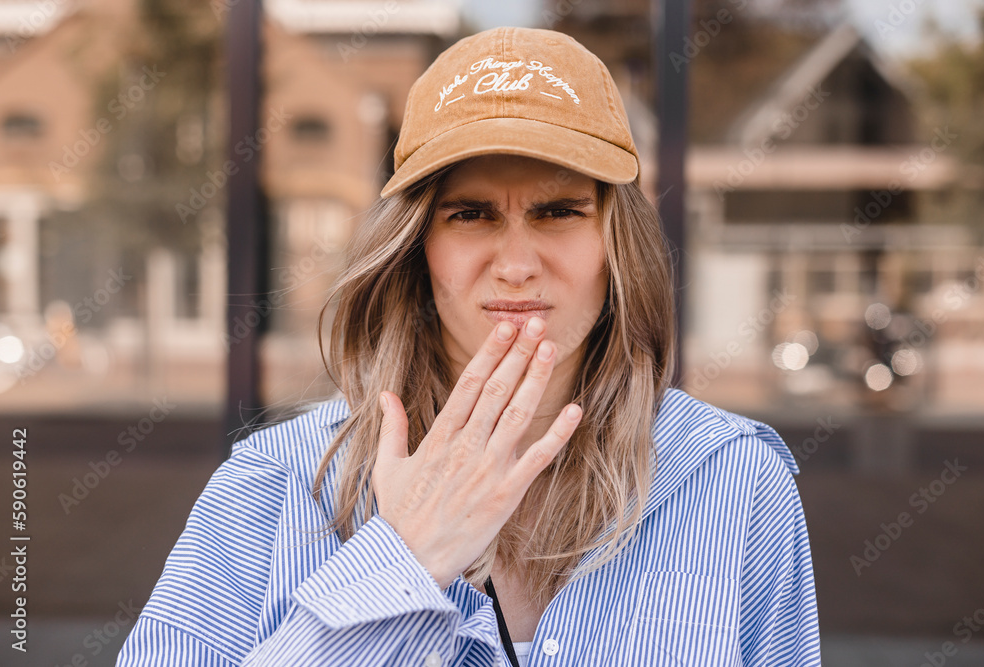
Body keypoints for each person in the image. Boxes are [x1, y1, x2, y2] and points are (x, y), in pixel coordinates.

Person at [117, 26, 820, 666]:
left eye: (558, 211)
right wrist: (402, 562)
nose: (516, 265)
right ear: (416, 247)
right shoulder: (274, 485)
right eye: (471, 214)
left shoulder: (732, 480)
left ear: (616, 243)